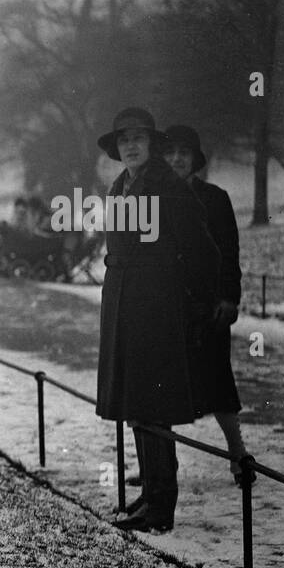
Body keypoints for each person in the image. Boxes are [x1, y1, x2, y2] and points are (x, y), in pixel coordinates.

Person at [93, 108, 220, 532]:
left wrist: (189, 304)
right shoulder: (122, 185)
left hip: (157, 311)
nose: (130, 145)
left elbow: (203, 253)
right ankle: (149, 495)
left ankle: (161, 508)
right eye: (123, 139)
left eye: (138, 139)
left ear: (152, 145)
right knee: (137, 405)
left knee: (154, 406)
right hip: (126, 308)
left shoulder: (168, 188)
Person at [163, 124, 249, 482]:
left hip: (208, 307)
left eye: (184, 152)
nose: (177, 159)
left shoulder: (215, 198)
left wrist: (229, 298)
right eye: (170, 152)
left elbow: (229, 254)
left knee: (218, 383)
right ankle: (160, 466)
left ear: (195, 159)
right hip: (167, 307)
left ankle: (238, 456)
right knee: (161, 385)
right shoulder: (153, 199)